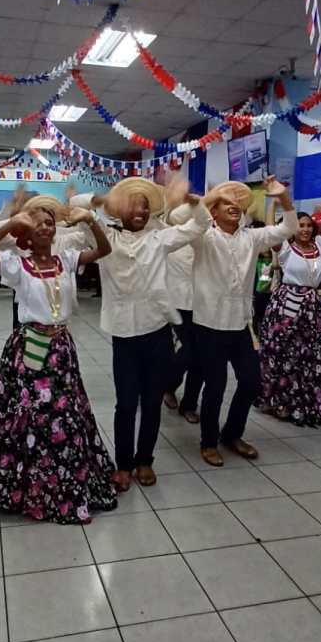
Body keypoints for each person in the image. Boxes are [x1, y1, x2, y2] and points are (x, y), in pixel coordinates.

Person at [0, 205, 117, 524]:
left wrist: (90, 219)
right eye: (37, 223)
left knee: (66, 417)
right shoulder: (17, 265)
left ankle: (66, 480)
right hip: (28, 347)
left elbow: (104, 249)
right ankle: (28, 486)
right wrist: (10, 222)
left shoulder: (65, 260)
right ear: (26, 233)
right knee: (29, 419)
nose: (44, 227)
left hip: (61, 348)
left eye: (49, 222)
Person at [98, 177, 212, 491]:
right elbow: (78, 209)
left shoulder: (159, 238)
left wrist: (189, 198)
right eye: (133, 204)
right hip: (123, 333)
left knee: (150, 402)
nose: (140, 210)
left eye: (145, 205)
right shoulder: (106, 236)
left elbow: (200, 224)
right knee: (125, 403)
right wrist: (104, 202)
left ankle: (144, 459)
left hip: (157, 331)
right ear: (121, 209)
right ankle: (123, 464)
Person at [189, 177, 298, 466]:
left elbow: (290, 228)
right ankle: (208, 442)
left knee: (251, 381)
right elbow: (193, 220)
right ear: (213, 210)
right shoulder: (203, 237)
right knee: (215, 386)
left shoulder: (252, 237)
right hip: (209, 324)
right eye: (226, 203)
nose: (234, 206)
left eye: (237, 202)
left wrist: (283, 198)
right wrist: (205, 197)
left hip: (240, 325)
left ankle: (232, 434)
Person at [259, 199, 321, 426]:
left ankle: (310, 400)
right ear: (293, 228)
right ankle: (280, 400)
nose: (305, 229)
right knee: (284, 354)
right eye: (300, 225)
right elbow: (271, 228)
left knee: (315, 355)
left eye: (309, 225)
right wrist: (273, 205)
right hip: (286, 305)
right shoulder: (284, 247)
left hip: (312, 307)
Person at [163, 204, 203, 423]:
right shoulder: (168, 244)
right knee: (186, 354)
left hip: (204, 307)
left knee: (201, 359)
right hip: (178, 306)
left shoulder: (206, 243)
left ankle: (189, 404)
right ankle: (169, 386)